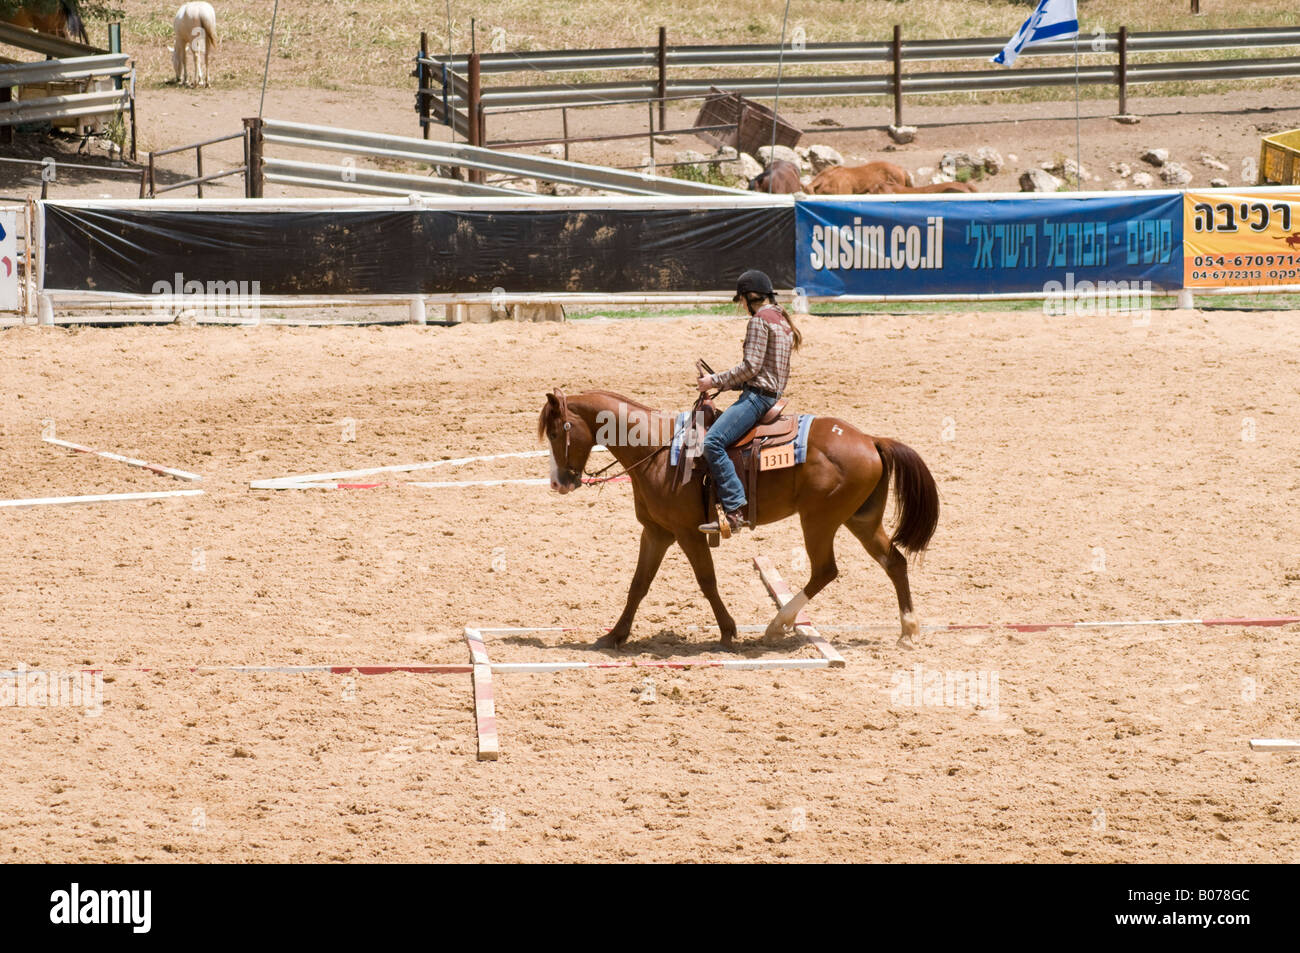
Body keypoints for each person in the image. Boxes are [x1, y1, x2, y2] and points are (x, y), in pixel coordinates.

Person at [696, 269, 802, 535]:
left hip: (758, 399)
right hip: (771, 395)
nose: (742, 305)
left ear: (750, 298)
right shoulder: (781, 320)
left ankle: (734, 510)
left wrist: (714, 381)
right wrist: (726, 382)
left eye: (742, 300)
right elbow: (761, 370)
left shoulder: (758, 321)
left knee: (713, 441)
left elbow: (751, 367)